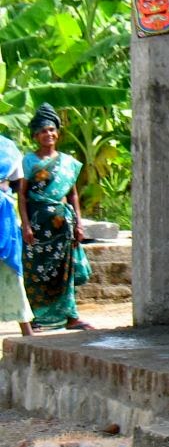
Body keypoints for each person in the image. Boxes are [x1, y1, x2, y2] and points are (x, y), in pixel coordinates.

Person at [18, 104, 92, 331]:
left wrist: (79, 223)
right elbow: (22, 195)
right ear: (35, 136)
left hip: (62, 226)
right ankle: (38, 318)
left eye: (51, 130)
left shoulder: (68, 162)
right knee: (36, 271)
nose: (48, 134)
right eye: (42, 131)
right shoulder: (28, 161)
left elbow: (72, 194)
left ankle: (71, 317)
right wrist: (26, 226)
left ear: (57, 133)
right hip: (37, 226)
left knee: (64, 272)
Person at [0, 134, 33, 336]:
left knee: (12, 273)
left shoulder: (7, 149)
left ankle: (27, 332)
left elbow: (18, 186)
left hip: (3, 218)